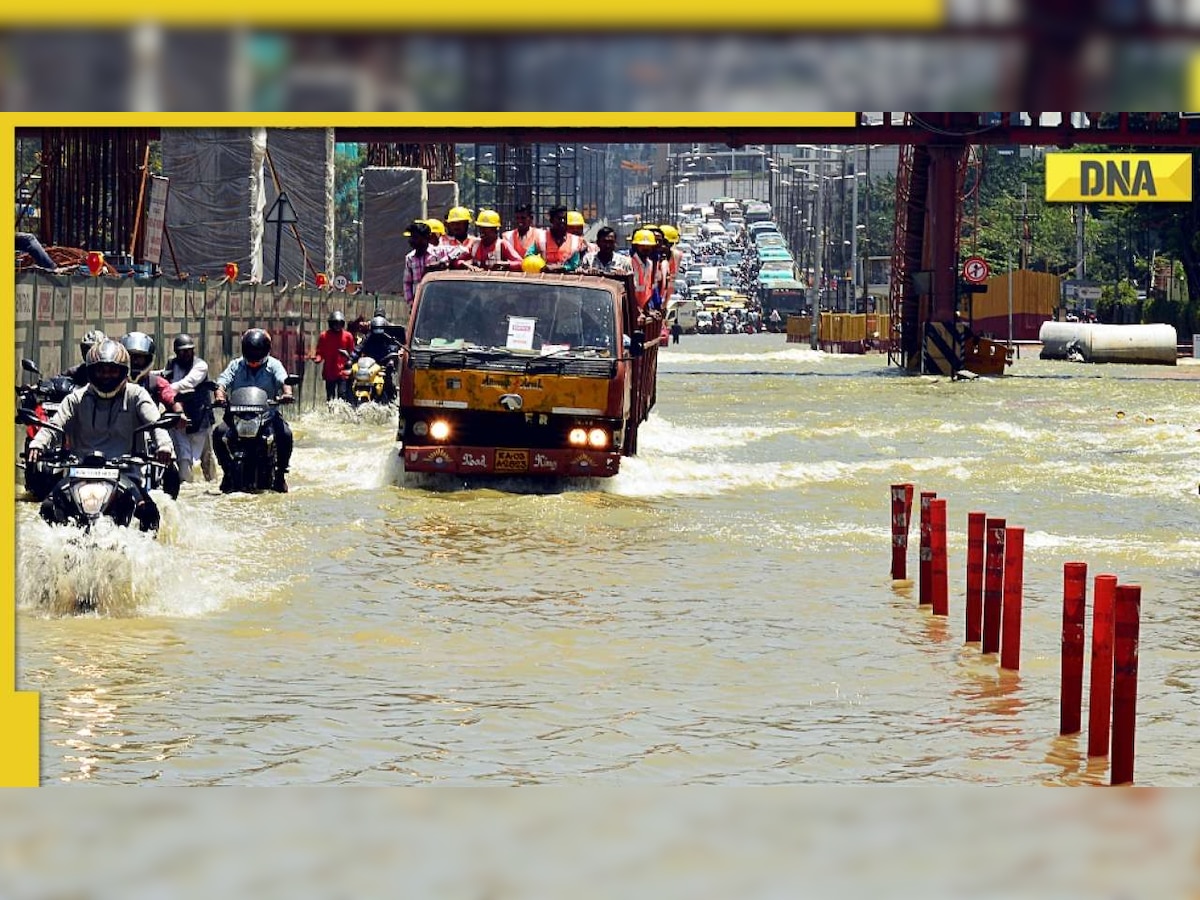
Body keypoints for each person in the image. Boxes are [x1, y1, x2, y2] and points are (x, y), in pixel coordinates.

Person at [27, 340, 174, 531]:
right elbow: (55, 425)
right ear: (91, 371)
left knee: (149, 513)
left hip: (126, 472)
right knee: (49, 507)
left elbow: (155, 424)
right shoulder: (76, 398)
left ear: (124, 371)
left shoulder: (137, 395)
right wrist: (38, 443)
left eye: (112, 371)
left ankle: (147, 558)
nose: (106, 376)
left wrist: (164, 446)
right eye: (101, 371)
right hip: (79, 472)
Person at [213, 328, 295, 493]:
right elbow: (222, 382)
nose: (253, 361)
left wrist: (287, 394)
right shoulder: (236, 365)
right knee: (218, 433)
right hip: (237, 416)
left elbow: (284, 380)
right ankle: (227, 471)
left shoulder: (274, 365)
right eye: (250, 355)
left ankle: (280, 475)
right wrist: (219, 396)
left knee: (285, 434)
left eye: (257, 355)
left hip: (267, 416)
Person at [121, 331, 183, 499]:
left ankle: (169, 503)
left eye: (139, 358)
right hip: (118, 431)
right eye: (131, 357)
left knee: (170, 462)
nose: (135, 362)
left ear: (148, 359)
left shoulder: (155, 382)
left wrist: (179, 413)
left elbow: (170, 396)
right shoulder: (113, 379)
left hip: (149, 431)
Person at [164, 333, 216, 483]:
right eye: (182, 351)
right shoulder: (171, 364)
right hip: (179, 419)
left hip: (200, 417)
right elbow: (162, 376)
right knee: (183, 456)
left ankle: (213, 484)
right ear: (176, 352)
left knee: (207, 456)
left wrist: (166, 389)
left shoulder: (200, 366)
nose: (186, 354)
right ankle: (186, 486)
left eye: (188, 351)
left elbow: (187, 383)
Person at [350, 315, 402, 403]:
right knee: (353, 377)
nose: (378, 331)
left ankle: (390, 400)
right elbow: (359, 348)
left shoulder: (388, 338)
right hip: (369, 365)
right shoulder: (369, 337)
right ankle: (351, 400)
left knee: (387, 380)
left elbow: (393, 348)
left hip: (383, 365)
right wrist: (351, 358)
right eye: (376, 328)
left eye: (380, 328)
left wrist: (391, 361)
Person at [403, 220, 455, 305]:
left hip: (440, 300)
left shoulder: (439, 252)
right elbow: (407, 283)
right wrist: (411, 302)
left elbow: (462, 250)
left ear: (426, 238)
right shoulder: (410, 258)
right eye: (411, 237)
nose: (411, 241)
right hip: (420, 304)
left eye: (415, 237)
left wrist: (442, 264)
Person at [312, 310, 357, 401]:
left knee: (342, 394)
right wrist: (317, 359)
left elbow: (352, 353)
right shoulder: (324, 336)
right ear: (331, 324)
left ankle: (341, 413)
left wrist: (349, 360)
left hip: (343, 372)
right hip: (329, 372)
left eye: (340, 324)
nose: (337, 326)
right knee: (330, 396)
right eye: (335, 323)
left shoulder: (348, 336)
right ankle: (331, 414)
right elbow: (320, 352)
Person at [527, 205, 586, 272]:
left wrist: (561, 268)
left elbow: (574, 265)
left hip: (565, 280)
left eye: (565, 219)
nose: (562, 221)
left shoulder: (574, 241)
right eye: (559, 219)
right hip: (543, 279)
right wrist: (542, 266)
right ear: (551, 220)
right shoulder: (541, 238)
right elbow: (528, 256)